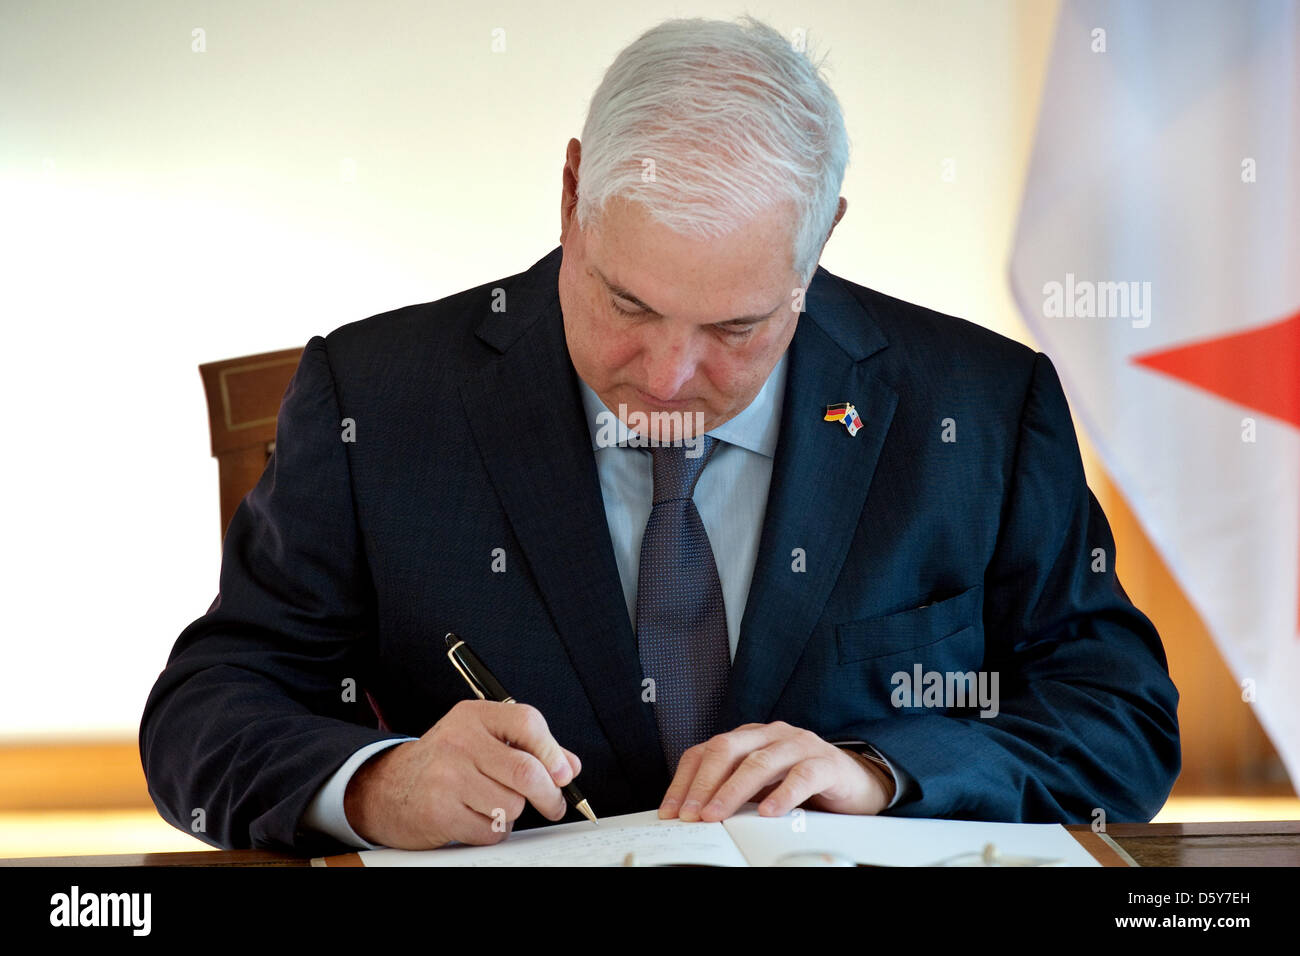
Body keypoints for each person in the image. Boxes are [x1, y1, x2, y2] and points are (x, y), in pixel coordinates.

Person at [140, 15, 1180, 854]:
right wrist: (375, 782)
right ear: (570, 199)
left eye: (735, 326)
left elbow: (1118, 719)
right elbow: (204, 714)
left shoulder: (984, 406)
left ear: (820, 243)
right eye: (627, 305)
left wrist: (881, 770)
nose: (669, 378)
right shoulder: (378, 397)